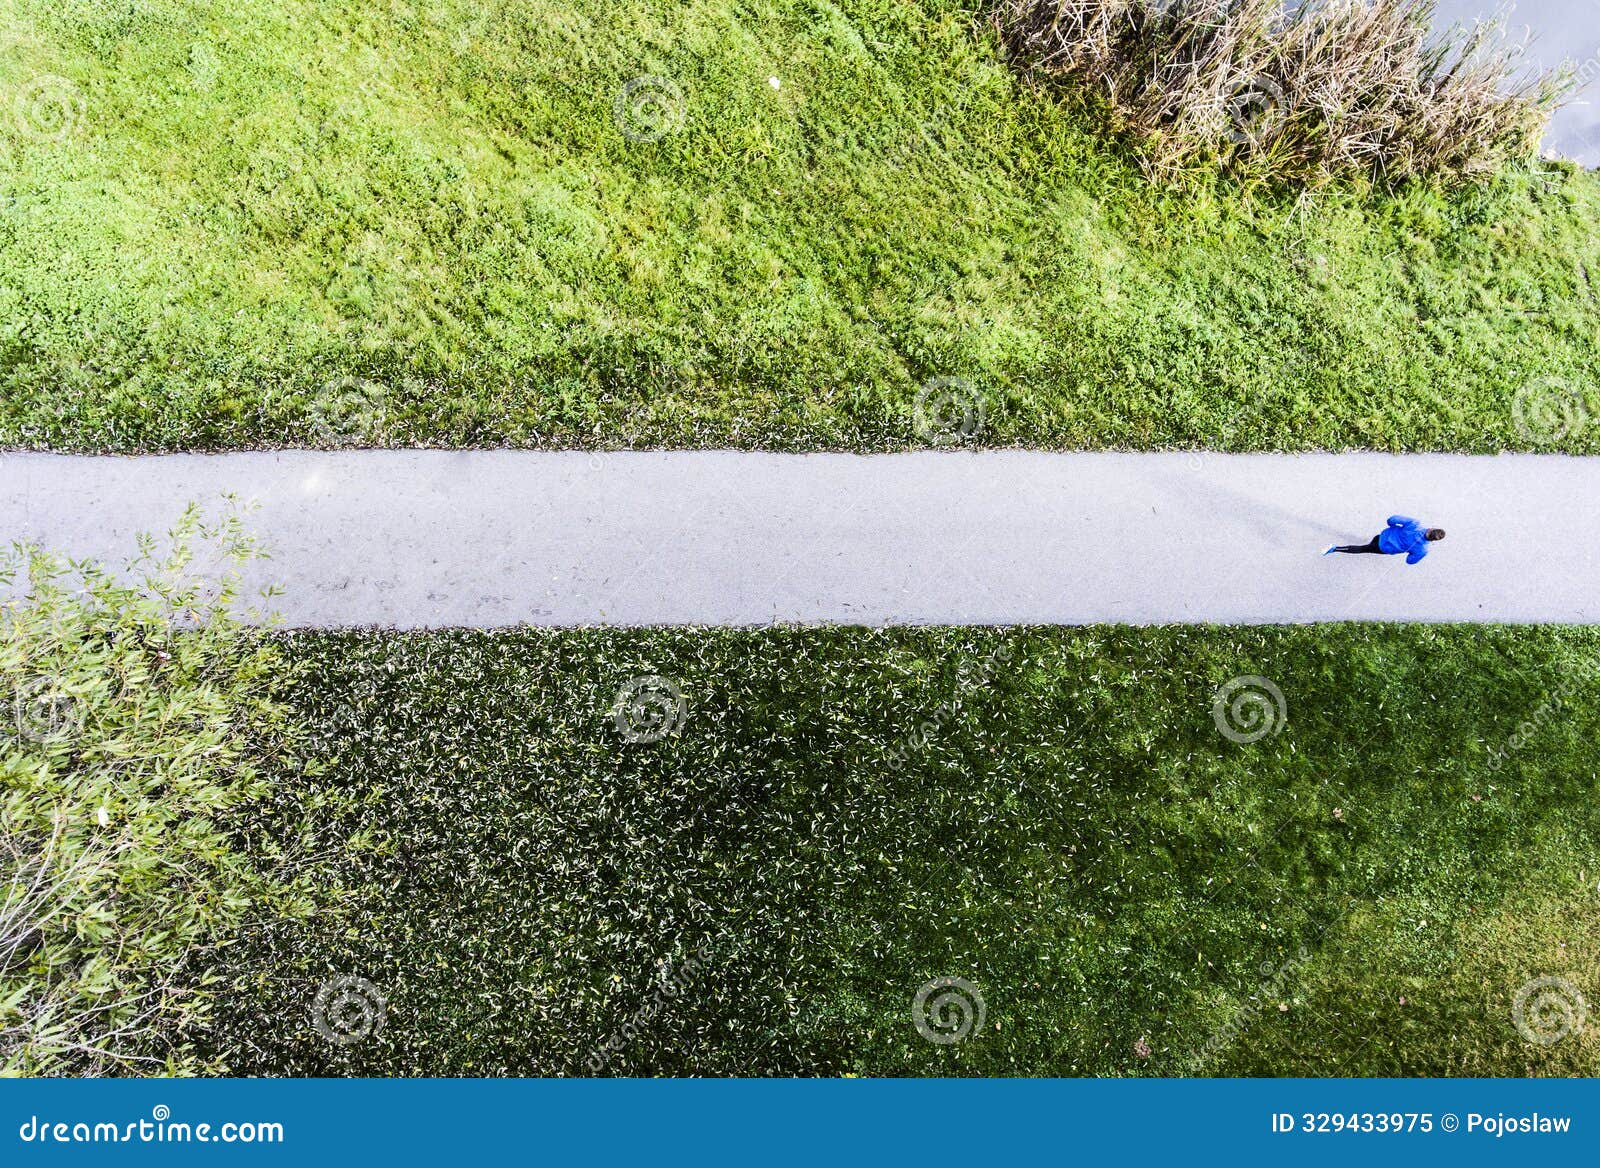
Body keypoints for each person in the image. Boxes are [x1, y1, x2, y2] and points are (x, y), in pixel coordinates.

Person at [1325, 516, 1445, 565]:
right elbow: (1410, 561)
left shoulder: (1414, 524)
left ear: (1431, 528)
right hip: (1383, 548)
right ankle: (1334, 548)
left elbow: (1392, 519)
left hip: (1382, 536)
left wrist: (1393, 526)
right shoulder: (1422, 550)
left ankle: (1336, 547)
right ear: (1433, 540)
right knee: (1362, 549)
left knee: (1369, 543)